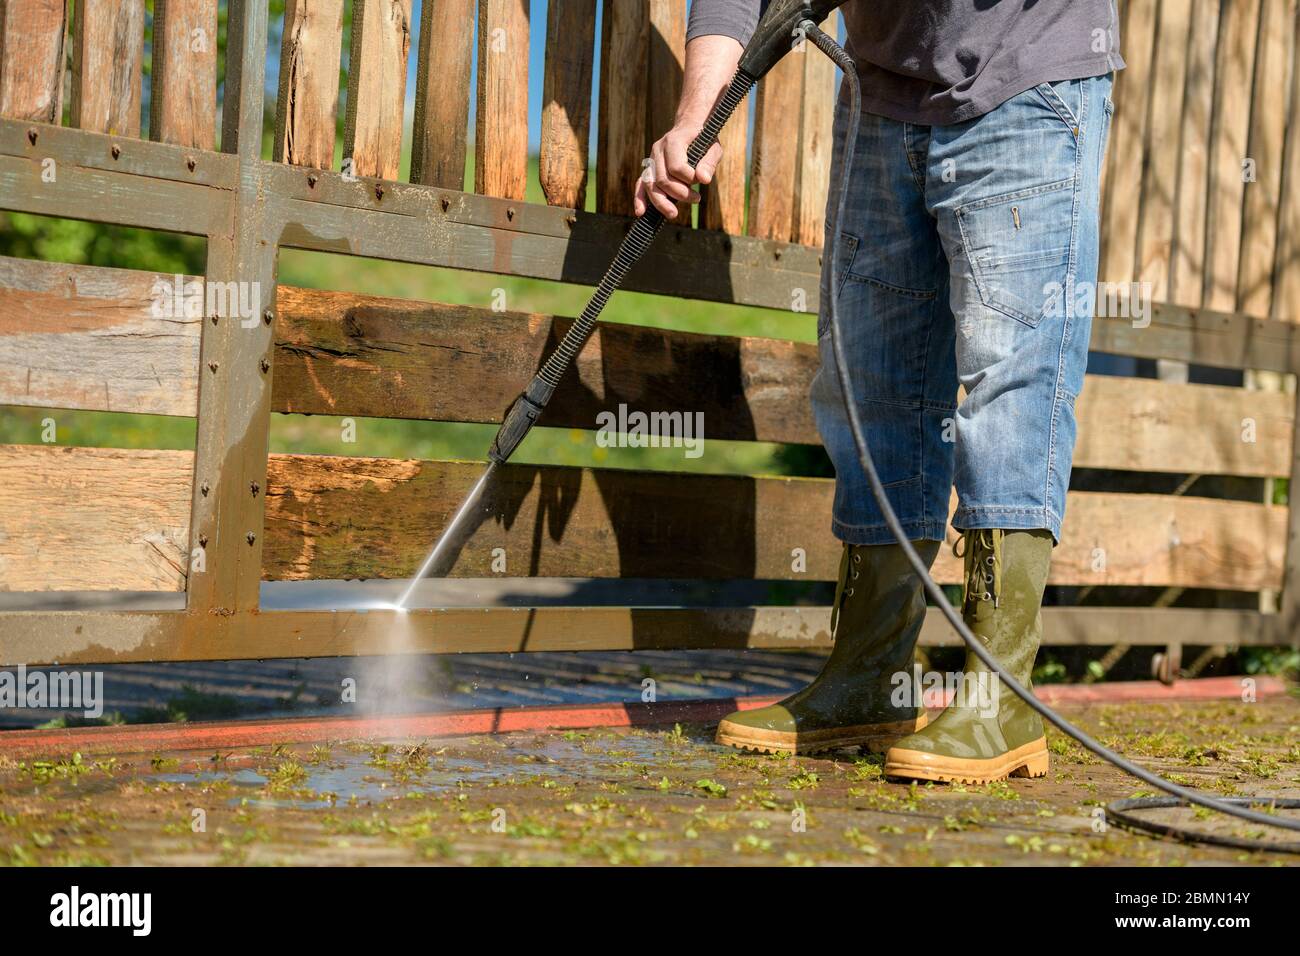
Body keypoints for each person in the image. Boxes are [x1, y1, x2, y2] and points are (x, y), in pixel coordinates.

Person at [635, 0, 1123, 784]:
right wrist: (701, 116)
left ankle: (1002, 697)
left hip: (1027, 82)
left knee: (1008, 386)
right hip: (882, 94)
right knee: (870, 380)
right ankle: (867, 677)